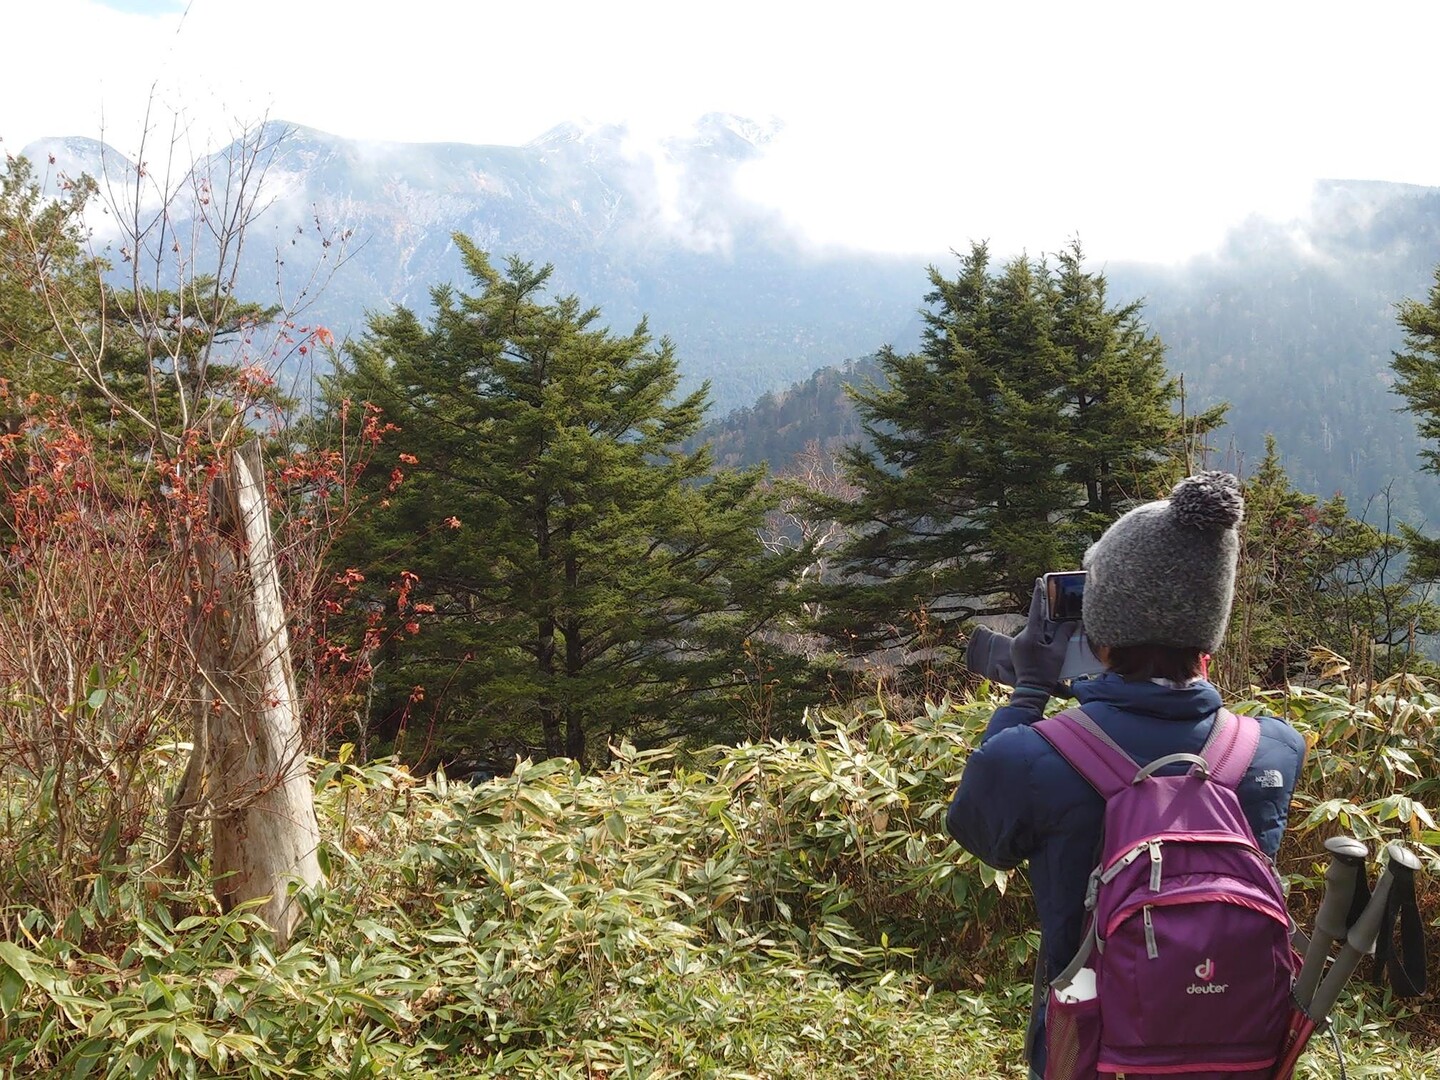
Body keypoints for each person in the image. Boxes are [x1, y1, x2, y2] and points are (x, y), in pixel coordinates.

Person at [946, 472, 1306, 1080]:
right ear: (1206, 639)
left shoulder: (1035, 758)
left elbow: (978, 828)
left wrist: (1032, 688)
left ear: (1101, 632)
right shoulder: (1272, 749)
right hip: (1241, 1054)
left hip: (1090, 1057)